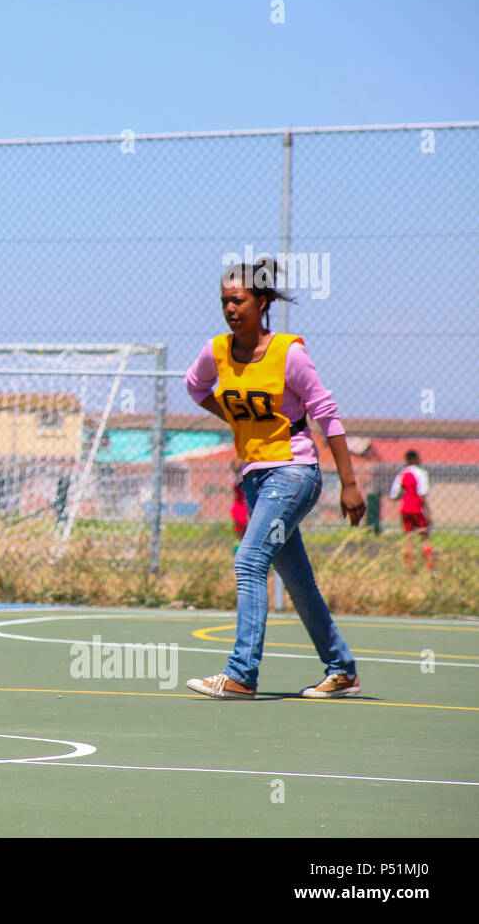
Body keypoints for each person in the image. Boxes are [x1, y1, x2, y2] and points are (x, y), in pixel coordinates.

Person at [183, 257, 365, 700]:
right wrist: (237, 418)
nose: (230, 309)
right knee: (297, 580)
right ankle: (342, 670)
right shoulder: (217, 351)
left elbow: (327, 415)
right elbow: (195, 386)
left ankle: (241, 675)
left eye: (238, 300)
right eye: (224, 301)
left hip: (294, 473)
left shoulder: (289, 353)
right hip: (255, 478)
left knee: (249, 561)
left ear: (262, 302)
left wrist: (349, 483)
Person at [390, 450, 434, 575]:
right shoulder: (421, 473)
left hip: (405, 509)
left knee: (409, 538)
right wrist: (428, 512)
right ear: (416, 459)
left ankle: (410, 569)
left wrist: (403, 493)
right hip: (417, 509)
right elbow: (422, 495)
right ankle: (431, 569)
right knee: (424, 538)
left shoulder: (402, 474)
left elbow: (394, 495)